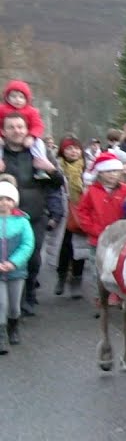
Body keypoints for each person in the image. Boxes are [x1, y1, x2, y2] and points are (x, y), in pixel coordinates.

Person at [0, 113, 64, 315]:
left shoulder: (38, 151)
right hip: (4, 213)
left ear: (27, 129)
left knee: (33, 256)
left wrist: (51, 169)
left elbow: (58, 182)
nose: (16, 131)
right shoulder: (1, 154)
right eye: (11, 127)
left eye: (20, 127)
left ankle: (28, 295)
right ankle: (8, 300)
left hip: (34, 212)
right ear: (4, 130)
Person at [0, 178, 34, 352]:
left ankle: (13, 326)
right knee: (1, 304)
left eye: (8, 199)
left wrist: (14, 263)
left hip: (16, 271)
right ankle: (1, 336)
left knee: (14, 307)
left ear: (14, 202)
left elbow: (27, 245)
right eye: (0, 199)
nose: (4, 203)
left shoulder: (22, 222)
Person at [55, 137, 88, 297]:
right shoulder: (56, 167)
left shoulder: (87, 169)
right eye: (69, 148)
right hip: (63, 211)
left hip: (81, 211)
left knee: (80, 248)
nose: (73, 151)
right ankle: (61, 277)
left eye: (76, 148)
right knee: (64, 246)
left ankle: (77, 280)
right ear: (62, 151)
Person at [1, 80, 52, 171]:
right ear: (7, 98)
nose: (17, 100)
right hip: (5, 136)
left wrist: (32, 136)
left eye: (21, 97)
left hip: (27, 136)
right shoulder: (2, 109)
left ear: (27, 99)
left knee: (39, 143)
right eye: (13, 96)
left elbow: (38, 125)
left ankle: (40, 163)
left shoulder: (31, 111)